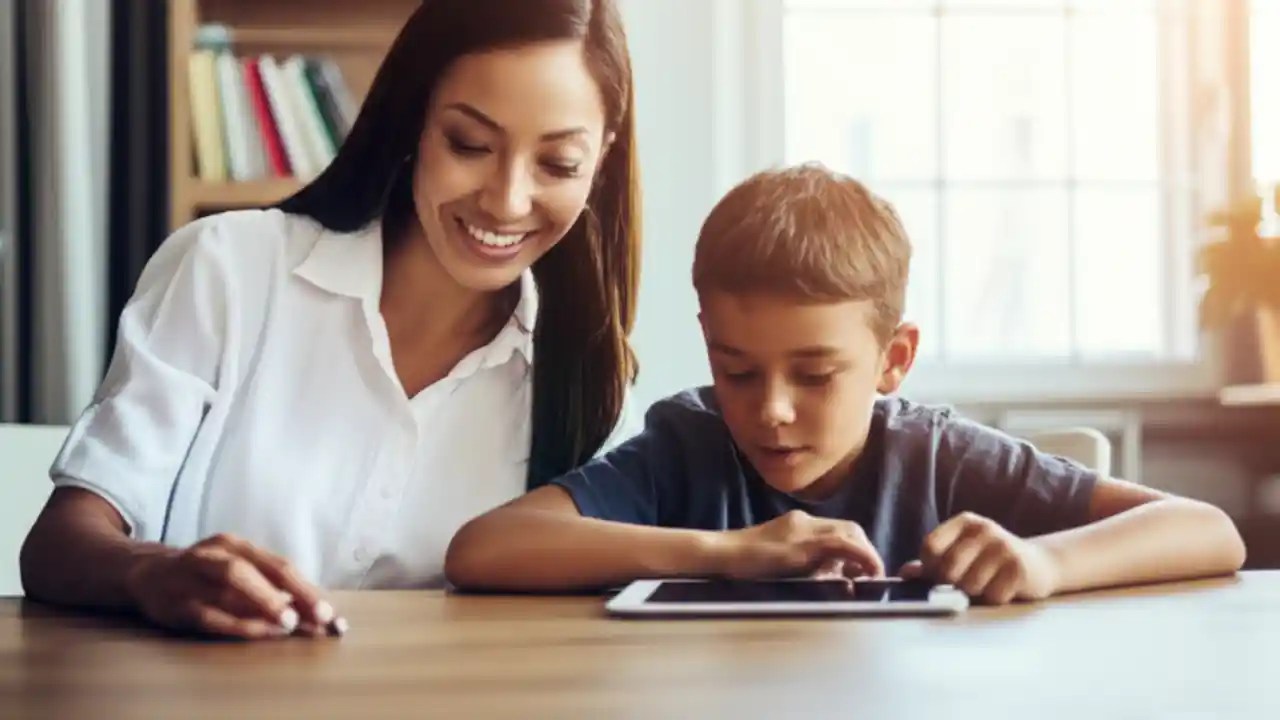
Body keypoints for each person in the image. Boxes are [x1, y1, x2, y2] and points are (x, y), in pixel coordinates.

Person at [20, 0, 640, 639]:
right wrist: (152, 573)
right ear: (415, 118)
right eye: (470, 144)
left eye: (558, 164)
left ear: (600, 160)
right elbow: (59, 546)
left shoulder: (587, 382)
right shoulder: (231, 268)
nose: (508, 200)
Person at [444, 164, 1247, 604]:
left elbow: (1209, 530)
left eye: (817, 374)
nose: (772, 409)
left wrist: (1046, 566)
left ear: (893, 359)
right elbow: (483, 549)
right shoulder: (685, 445)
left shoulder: (939, 456)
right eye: (737, 369)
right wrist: (730, 553)